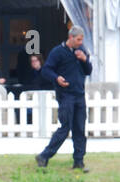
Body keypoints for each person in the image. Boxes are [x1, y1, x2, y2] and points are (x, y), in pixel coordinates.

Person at [35, 26, 91, 172]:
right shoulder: (57, 52)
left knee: (80, 129)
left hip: (80, 94)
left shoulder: (82, 51)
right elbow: (46, 70)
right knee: (65, 127)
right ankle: (44, 156)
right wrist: (57, 78)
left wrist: (85, 60)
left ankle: (79, 161)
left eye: (82, 40)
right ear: (71, 37)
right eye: (78, 39)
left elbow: (88, 71)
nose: (81, 42)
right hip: (66, 95)